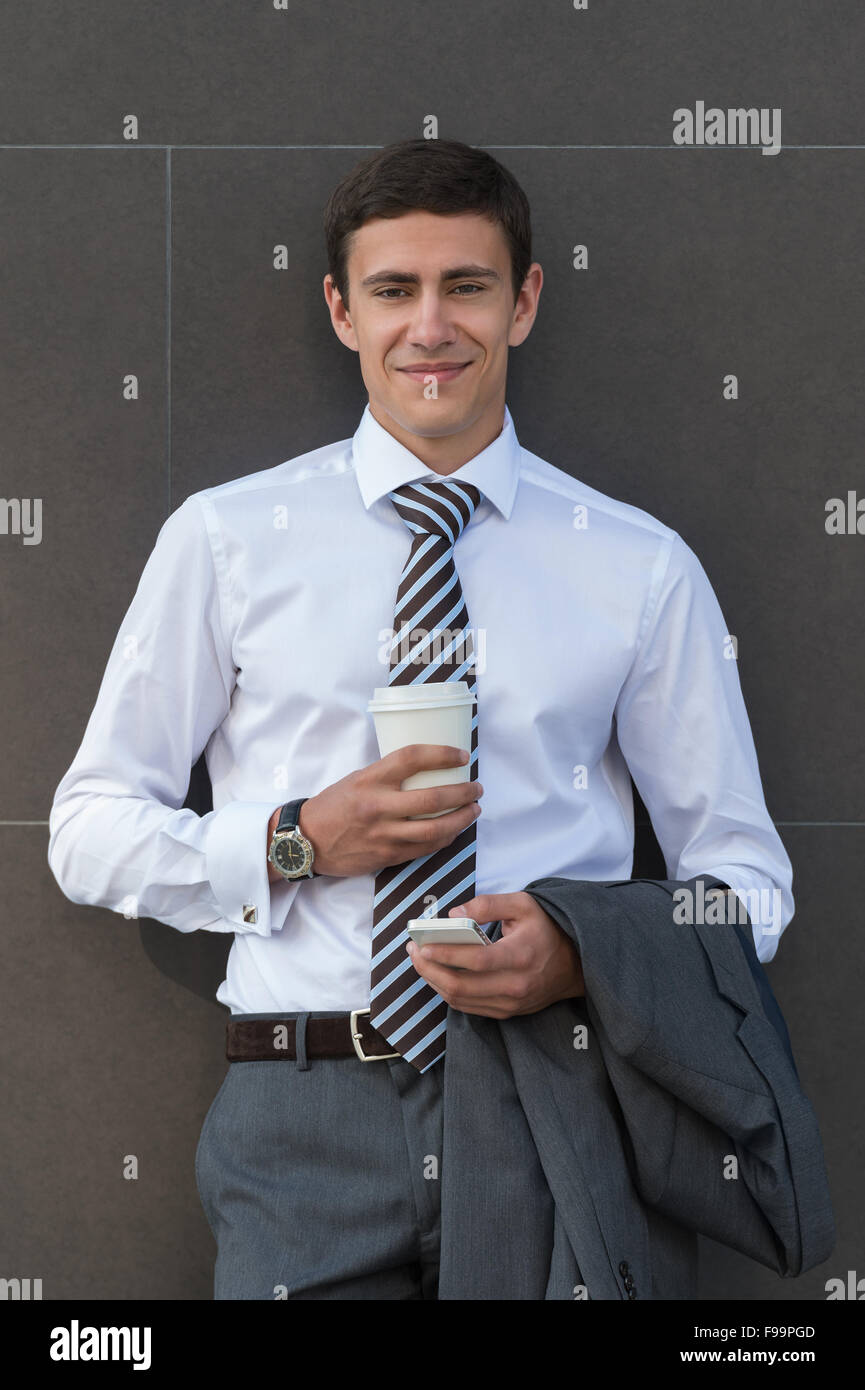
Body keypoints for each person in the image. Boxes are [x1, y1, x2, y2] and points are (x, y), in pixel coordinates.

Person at [47, 137, 794, 1300]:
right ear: (342, 309)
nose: (430, 327)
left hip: (558, 1097)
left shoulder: (639, 566)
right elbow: (87, 827)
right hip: (302, 1121)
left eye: (468, 286)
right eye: (394, 290)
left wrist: (586, 962)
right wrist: (294, 840)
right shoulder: (227, 540)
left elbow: (743, 882)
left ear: (525, 301)